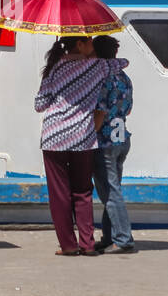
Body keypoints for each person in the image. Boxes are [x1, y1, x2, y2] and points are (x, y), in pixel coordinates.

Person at [34, 36, 129, 256]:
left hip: (54, 137)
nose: (92, 46)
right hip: (83, 137)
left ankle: (67, 245)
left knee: (59, 194)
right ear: (80, 45)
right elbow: (123, 62)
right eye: (89, 43)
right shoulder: (97, 66)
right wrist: (92, 59)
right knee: (83, 192)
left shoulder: (53, 69)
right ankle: (87, 244)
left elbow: (40, 105)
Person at [91, 35, 136, 253]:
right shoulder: (125, 78)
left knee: (110, 193)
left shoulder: (102, 79)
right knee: (113, 190)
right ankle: (109, 236)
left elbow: (99, 111)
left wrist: (91, 133)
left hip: (105, 140)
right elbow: (128, 109)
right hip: (122, 139)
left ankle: (123, 238)